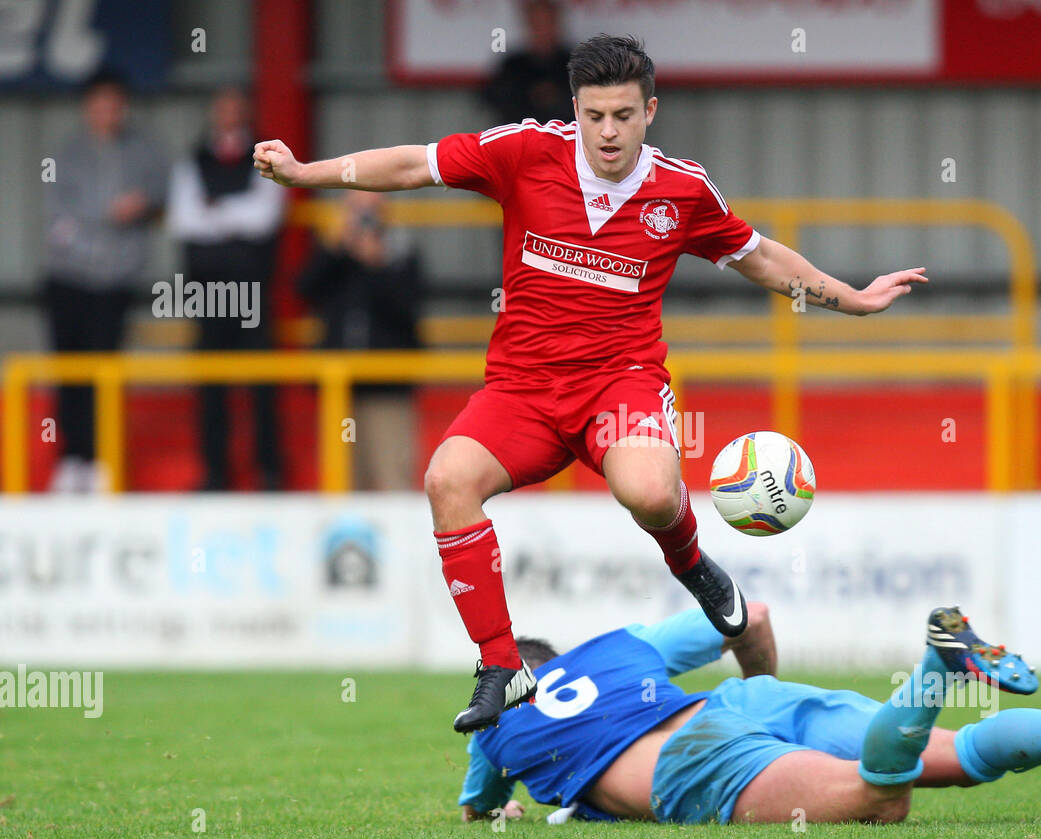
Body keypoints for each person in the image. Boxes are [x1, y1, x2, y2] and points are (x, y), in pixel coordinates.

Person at [253, 34, 928, 732]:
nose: (608, 132)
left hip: (619, 384)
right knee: (446, 480)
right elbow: (412, 165)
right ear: (574, 108)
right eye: (594, 115)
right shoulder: (523, 151)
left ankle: (693, 565)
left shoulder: (682, 190)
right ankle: (501, 665)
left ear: (649, 112)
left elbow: (759, 258)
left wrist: (852, 297)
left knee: (651, 494)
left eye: (624, 116)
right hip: (521, 389)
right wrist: (307, 174)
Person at [458, 605, 1041, 826]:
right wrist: (764, 695)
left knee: (881, 798)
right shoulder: (613, 648)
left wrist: (503, 808)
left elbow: (479, 809)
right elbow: (750, 614)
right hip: (743, 701)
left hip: (692, 760)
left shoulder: (492, 722)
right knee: (963, 758)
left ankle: (937, 665)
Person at [43, 67, 168, 493]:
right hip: (68, 278)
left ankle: (100, 458)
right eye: (99, 103)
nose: (107, 111)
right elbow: (58, 220)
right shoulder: (66, 155)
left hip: (115, 281)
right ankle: (70, 459)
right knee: (69, 372)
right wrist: (107, 218)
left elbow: (162, 195)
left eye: (114, 103)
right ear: (87, 107)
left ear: (123, 107)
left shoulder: (144, 152)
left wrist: (141, 206)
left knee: (106, 371)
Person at [168, 86, 286, 491]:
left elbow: (265, 218)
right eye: (222, 108)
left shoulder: (266, 157)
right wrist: (235, 219)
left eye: (236, 108)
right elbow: (183, 220)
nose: (229, 116)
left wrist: (214, 212)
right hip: (207, 291)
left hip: (253, 288)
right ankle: (215, 473)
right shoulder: (193, 160)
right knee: (210, 382)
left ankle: (269, 471)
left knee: (262, 382)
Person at [297, 191, 423, 491]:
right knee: (343, 481)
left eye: (370, 210)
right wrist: (338, 249)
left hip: (387, 390)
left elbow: (408, 312)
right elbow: (304, 289)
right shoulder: (334, 254)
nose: (365, 219)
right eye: (356, 210)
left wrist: (376, 265)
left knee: (393, 479)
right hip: (339, 391)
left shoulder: (400, 255)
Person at [483, 0, 573, 126]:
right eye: (537, 24)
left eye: (547, 22)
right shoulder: (512, 66)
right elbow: (495, 100)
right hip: (520, 134)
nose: (542, 30)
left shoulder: (577, 63)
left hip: (567, 135)